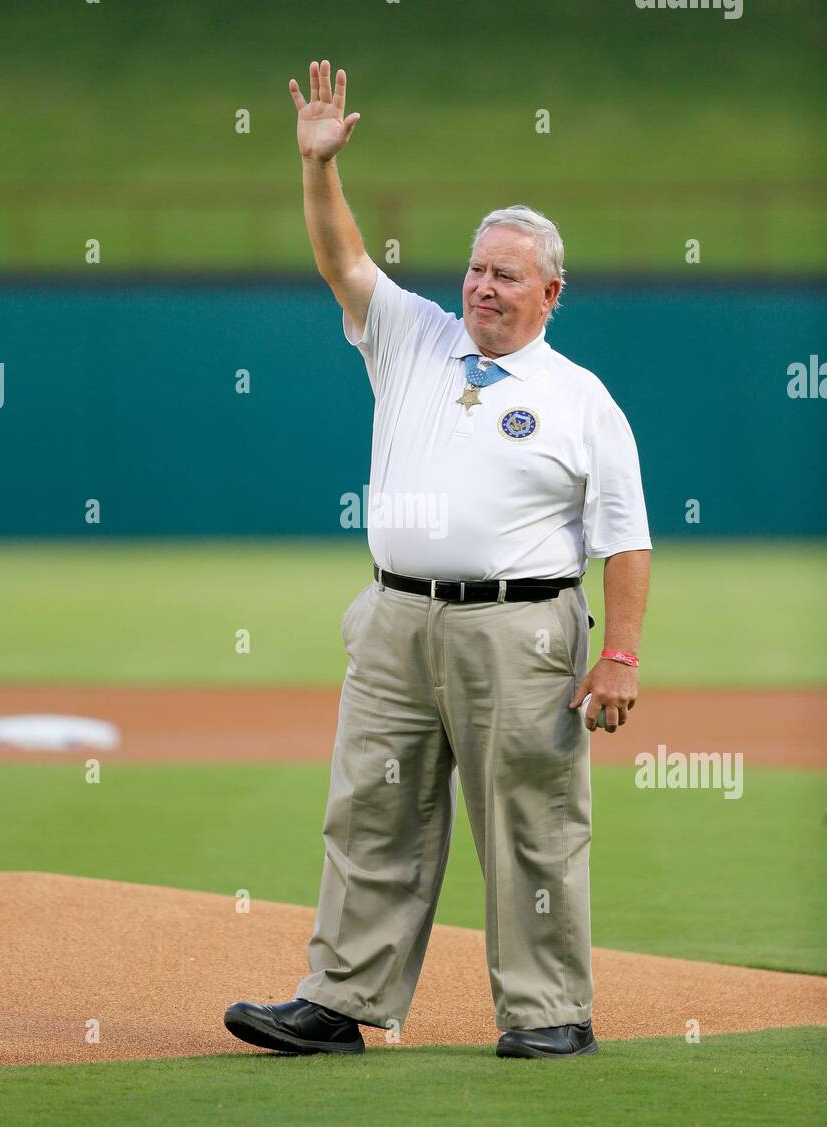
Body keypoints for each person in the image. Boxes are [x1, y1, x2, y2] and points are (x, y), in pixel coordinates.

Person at [224, 59, 652, 1060]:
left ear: (549, 291)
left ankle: (547, 1012)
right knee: (369, 808)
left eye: (505, 274)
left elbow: (623, 537)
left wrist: (620, 654)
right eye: (474, 267)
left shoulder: (579, 397)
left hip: (522, 627)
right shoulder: (414, 336)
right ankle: (337, 1000)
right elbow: (341, 262)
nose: (481, 285)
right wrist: (317, 168)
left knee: (530, 825)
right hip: (393, 619)